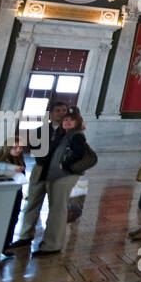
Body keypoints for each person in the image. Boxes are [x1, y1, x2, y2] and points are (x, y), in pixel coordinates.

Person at [12, 101, 69, 250]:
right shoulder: (40, 130)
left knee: (56, 207)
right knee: (32, 203)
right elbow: (33, 148)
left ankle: (51, 241)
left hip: (58, 173)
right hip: (40, 169)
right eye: (58, 110)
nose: (61, 113)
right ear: (50, 114)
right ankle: (25, 236)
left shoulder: (70, 133)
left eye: (64, 110)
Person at [34, 108, 90, 255]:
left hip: (65, 176)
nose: (67, 122)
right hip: (57, 175)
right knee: (55, 208)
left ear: (77, 122)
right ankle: (49, 241)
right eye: (65, 119)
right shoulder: (66, 135)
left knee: (58, 210)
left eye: (71, 120)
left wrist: (64, 165)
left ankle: (52, 245)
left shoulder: (76, 135)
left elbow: (79, 153)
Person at [0, 136, 27, 257]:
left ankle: (5, 245)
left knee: (13, 218)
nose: (18, 150)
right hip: (4, 193)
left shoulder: (19, 159)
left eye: (20, 147)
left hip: (16, 192)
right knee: (2, 219)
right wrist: (14, 169)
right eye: (15, 147)